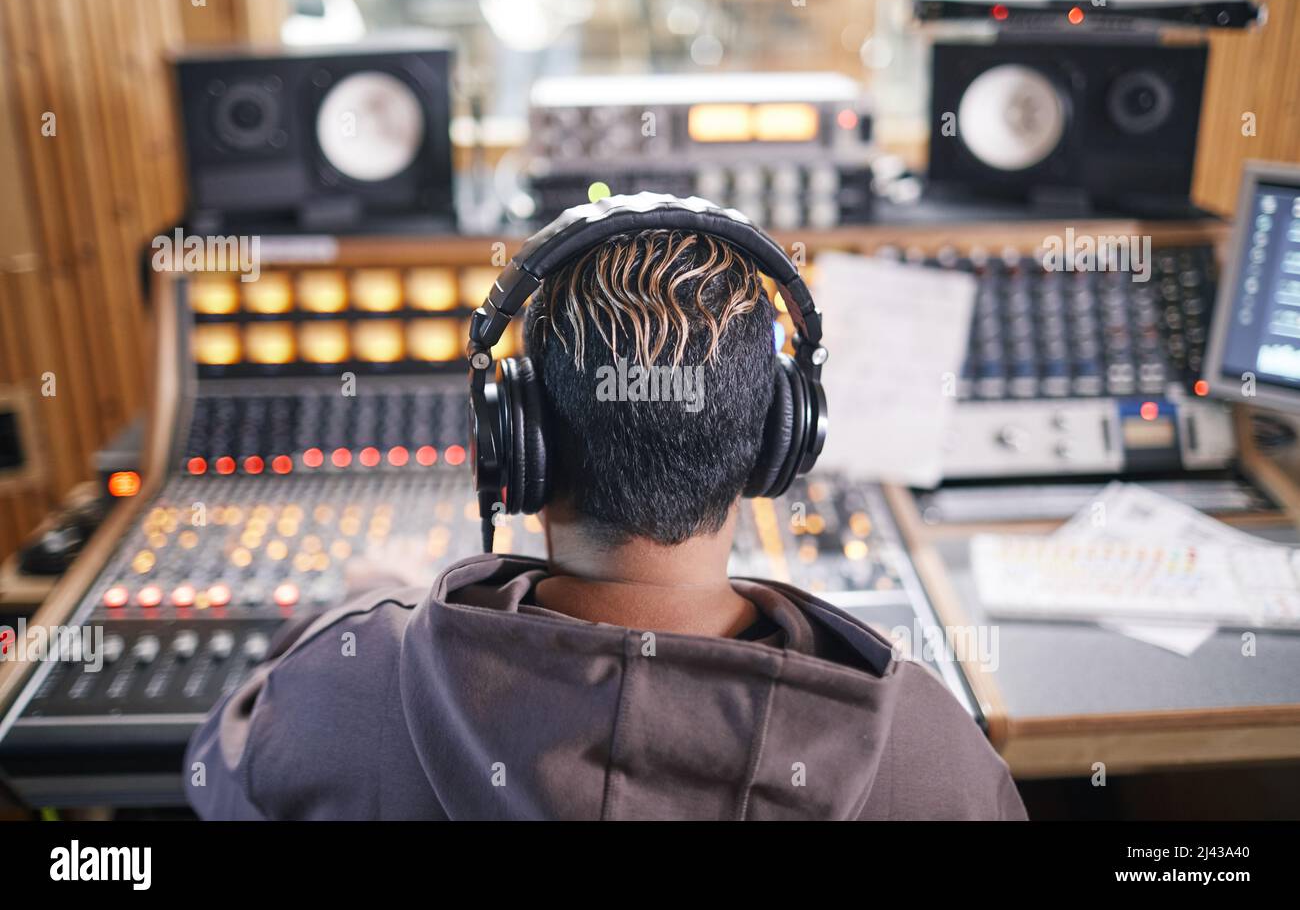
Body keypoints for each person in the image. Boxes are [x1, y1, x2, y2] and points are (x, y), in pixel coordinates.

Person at [185, 223, 1026, 820]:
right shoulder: (927, 749)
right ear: (777, 443)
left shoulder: (348, 687)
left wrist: (351, 616)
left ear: (520, 451)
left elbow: (212, 776)